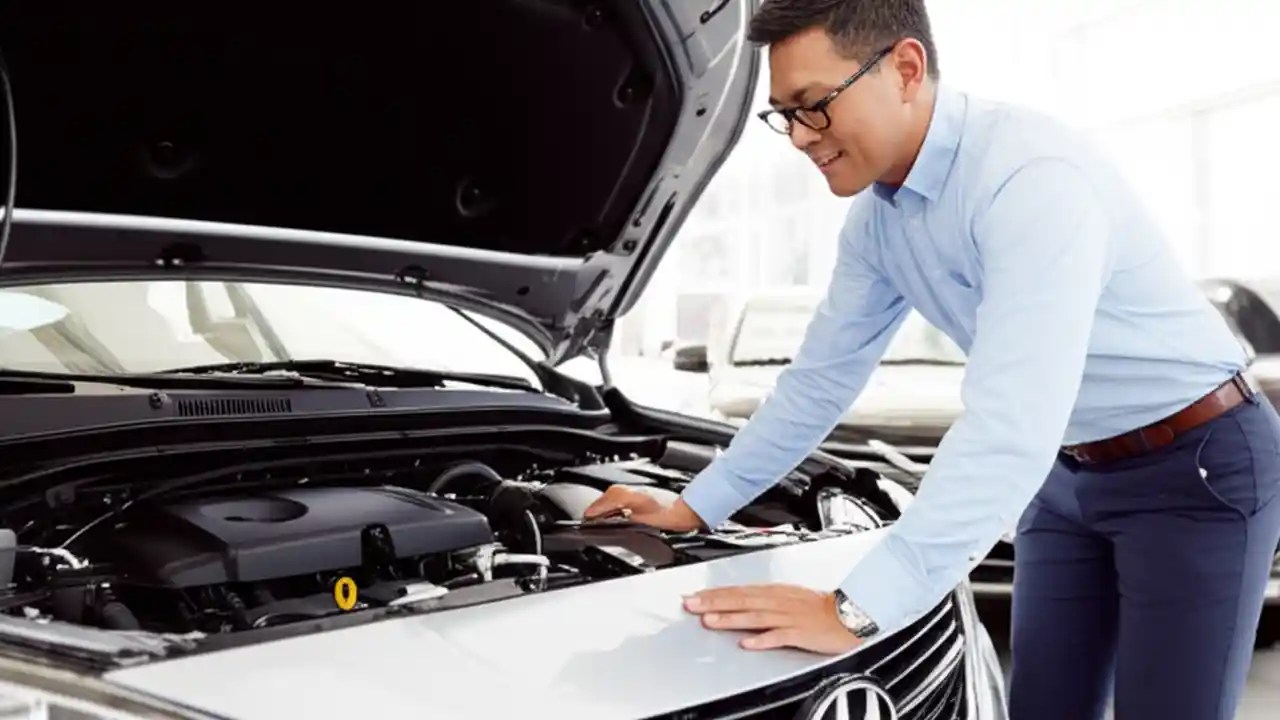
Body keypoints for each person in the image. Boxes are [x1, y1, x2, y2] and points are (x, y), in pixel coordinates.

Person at [582, 1, 1280, 718]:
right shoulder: (877, 225)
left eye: (812, 106)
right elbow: (816, 386)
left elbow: (1010, 421)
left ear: (906, 69)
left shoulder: (1029, 180)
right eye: (782, 114)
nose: (797, 136)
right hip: (1068, 471)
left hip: (1196, 466)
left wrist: (856, 610)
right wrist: (695, 507)